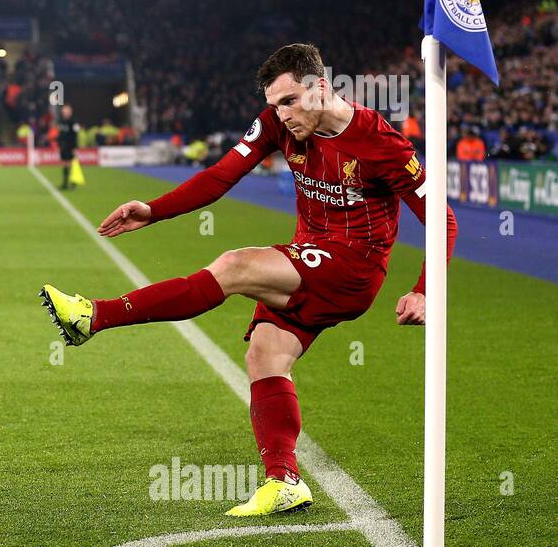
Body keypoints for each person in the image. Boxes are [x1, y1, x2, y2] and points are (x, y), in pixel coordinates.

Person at [39, 44, 458, 516]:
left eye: (289, 101)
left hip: (353, 269)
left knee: (236, 264)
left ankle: (94, 316)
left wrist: (424, 290)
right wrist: (154, 211)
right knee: (264, 356)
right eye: (275, 102)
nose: (281, 114)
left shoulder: (381, 144)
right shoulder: (279, 123)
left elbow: (442, 219)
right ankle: (284, 481)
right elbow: (220, 176)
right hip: (309, 258)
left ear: (321, 88)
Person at [57, 104, 80, 190]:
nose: (65, 112)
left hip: (71, 146)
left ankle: (73, 183)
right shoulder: (61, 121)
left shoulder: (73, 121)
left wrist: (75, 147)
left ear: (70, 112)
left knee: (71, 164)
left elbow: (75, 135)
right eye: (64, 111)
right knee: (64, 164)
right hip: (63, 146)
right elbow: (60, 134)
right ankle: (65, 183)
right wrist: (59, 145)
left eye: (67, 111)